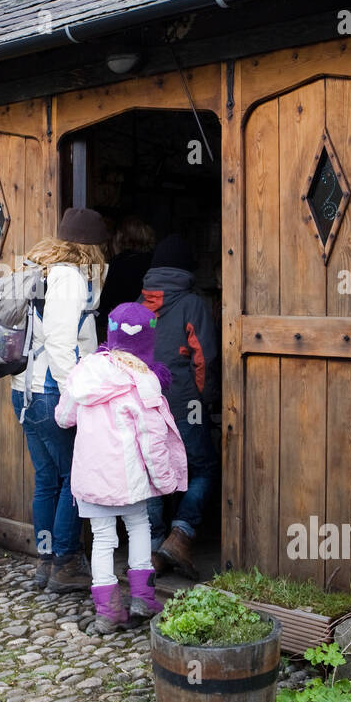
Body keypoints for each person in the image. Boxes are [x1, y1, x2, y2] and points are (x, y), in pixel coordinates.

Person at [55, 302, 187, 635]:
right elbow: (153, 440)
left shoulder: (84, 372)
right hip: (129, 479)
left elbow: (63, 417)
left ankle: (108, 612)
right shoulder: (142, 382)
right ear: (148, 343)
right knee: (139, 526)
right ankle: (143, 597)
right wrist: (166, 480)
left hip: (90, 475)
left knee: (102, 539)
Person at [11, 207, 109, 594]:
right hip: (52, 393)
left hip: (26, 391)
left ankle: (46, 563)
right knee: (74, 480)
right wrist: (76, 393)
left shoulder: (41, 270)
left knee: (47, 480)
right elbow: (58, 340)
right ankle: (66, 564)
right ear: (92, 246)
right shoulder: (69, 277)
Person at [140, 233, 220, 578]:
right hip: (184, 402)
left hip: (143, 401)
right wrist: (206, 400)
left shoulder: (137, 305)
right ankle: (181, 533)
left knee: (151, 473)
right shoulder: (192, 304)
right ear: (187, 269)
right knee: (203, 467)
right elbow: (204, 358)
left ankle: (154, 548)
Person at [97, 216, 156, 329]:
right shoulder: (154, 261)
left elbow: (104, 300)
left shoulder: (117, 264)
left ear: (121, 238)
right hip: (150, 321)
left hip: (123, 323)